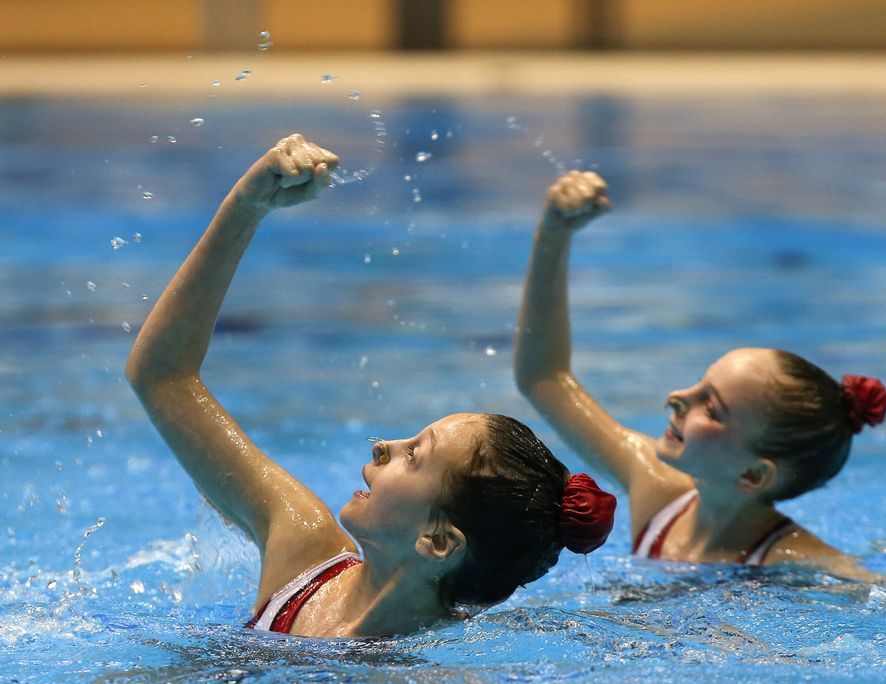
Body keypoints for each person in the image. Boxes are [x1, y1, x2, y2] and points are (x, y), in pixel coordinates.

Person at [125, 135, 616, 638]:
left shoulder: (431, 683)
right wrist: (246, 208)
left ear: (439, 541)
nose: (384, 445)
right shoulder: (302, 550)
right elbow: (162, 376)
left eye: (414, 457)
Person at [514, 169, 886, 579]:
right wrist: (552, 236)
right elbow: (545, 378)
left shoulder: (806, 565)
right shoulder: (657, 491)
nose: (677, 396)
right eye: (699, 384)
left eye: (711, 407)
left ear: (752, 474)